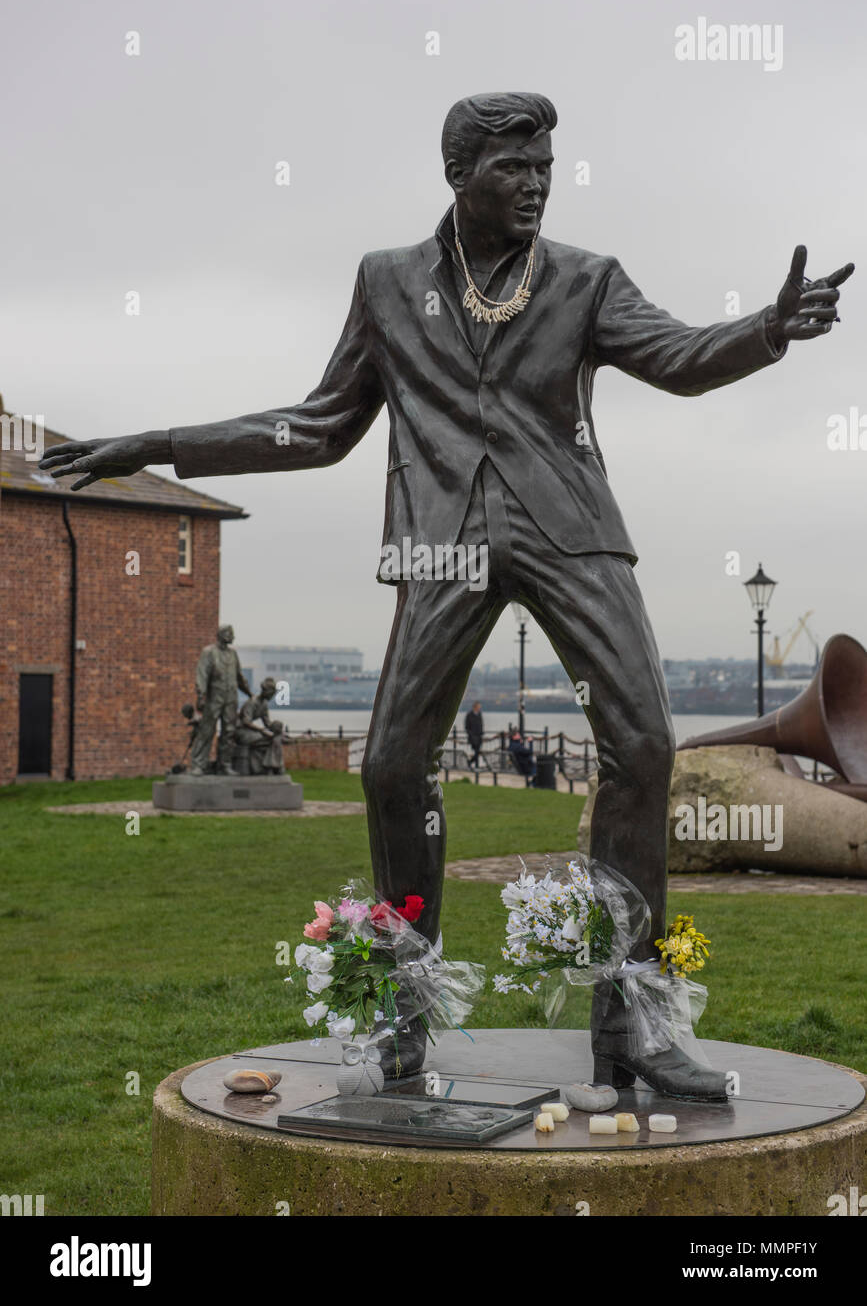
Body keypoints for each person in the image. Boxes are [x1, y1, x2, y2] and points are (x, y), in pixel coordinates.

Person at [40, 91, 853, 1091]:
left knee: (641, 743)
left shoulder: (587, 280)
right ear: (460, 173)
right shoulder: (387, 285)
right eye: (517, 167)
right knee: (389, 766)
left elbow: (677, 357)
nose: (538, 184)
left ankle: (632, 1024)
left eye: (547, 167)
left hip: (572, 535)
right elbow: (320, 424)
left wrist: (767, 329)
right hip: (444, 550)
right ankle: (403, 1019)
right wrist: (160, 444)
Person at [190, 625, 251, 775]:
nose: (233, 637)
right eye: (230, 634)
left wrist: (250, 694)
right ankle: (199, 764)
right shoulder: (209, 652)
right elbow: (202, 675)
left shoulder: (233, 654)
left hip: (231, 699)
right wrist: (201, 696)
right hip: (214, 698)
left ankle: (224, 765)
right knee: (207, 731)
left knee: (229, 732)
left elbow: (239, 677)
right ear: (221, 635)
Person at [234, 677, 285, 775]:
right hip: (241, 732)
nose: (272, 696)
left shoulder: (264, 704)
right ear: (265, 691)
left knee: (276, 738)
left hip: (251, 731)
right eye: (271, 693)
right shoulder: (252, 702)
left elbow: (267, 723)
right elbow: (246, 721)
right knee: (268, 739)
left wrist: (277, 728)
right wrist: (261, 730)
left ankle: (272, 767)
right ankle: (269, 768)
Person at [464, 701, 484, 768]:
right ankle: (475, 765)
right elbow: (467, 727)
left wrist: (481, 732)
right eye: (478, 707)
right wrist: (471, 735)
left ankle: (470, 762)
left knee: (477, 752)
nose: (479, 708)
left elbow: (481, 724)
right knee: (476, 751)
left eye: (480, 707)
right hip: (472, 737)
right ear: (474, 707)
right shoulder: (469, 715)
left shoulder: (479, 714)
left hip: (479, 737)